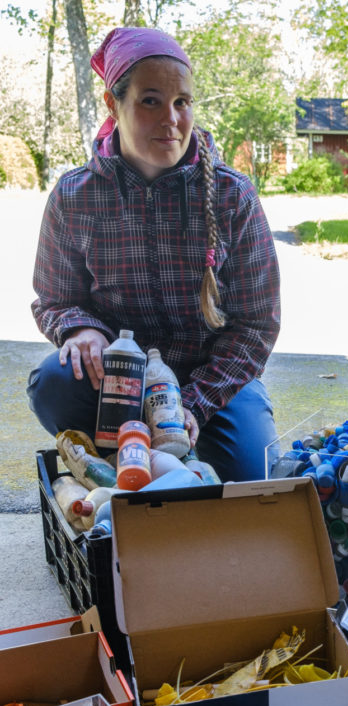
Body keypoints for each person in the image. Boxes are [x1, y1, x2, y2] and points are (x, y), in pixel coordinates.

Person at [28, 26, 280, 482]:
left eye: (182, 102)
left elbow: (256, 326)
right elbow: (53, 299)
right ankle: (121, 459)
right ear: (112, 103)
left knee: (253, 476)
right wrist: (80, 329)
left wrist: (194, 406)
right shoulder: (73, 196)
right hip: (116, 381)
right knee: (53, 384)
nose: (172, 119)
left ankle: (166, 453)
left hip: (213, 381)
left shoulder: (232, 196)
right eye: (150, 100)